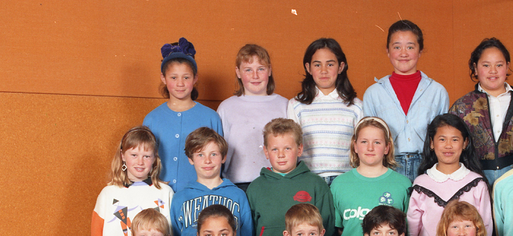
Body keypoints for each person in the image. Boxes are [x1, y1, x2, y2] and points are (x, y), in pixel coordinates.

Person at [361, 19, 449, 181]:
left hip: (427, 166)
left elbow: (443, 136)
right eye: (397, 47)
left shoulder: (437, 91)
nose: (403, 53)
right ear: (388, 51)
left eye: (410, 47)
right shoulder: (373, 93)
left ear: (420, 51)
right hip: (387, 166)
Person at [449, 38, 513, 188]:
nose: (493, 71)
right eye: (486, 65)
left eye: (499, 65)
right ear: (476, 68)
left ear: (507, 66)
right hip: (473, 180)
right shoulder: (462, 107)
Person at [246, 118, 337, 236]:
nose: (281, 154)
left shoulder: (316, 184)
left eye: (287, 148)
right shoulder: (256, 187)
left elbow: (327, 226)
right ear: (266, 152)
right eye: (275, 149)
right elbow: (249, 230)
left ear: (299, 149)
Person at [330, 117, 412, 236]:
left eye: (377, 142)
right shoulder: (339, 184)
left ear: (387, 148)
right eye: (364, 142)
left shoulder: (402, 184)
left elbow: (408, 229)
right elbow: (339, 228)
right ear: (355, 146)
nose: (370, 148)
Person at [92, 126, 173, 236]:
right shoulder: (108, 194)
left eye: (146, 156)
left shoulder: (166, 193)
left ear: (155, 158)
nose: (140, 162)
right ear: (123, 156)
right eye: (134, 155)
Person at [142, 38, 224, 192]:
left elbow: (220, 161)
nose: (180, 84)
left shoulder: (211, 118)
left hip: (200, 196)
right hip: (159, 197)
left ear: (195, 78)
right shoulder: (152, 119)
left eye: (186, 77)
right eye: (174, 77)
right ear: (163, 78)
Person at [407, 114, 491, 236]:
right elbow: (413, 229)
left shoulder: (477, 184)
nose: (448, 146)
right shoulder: (421, 184)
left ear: (465, 143)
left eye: (455, 139)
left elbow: (485, 227)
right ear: (432, 143)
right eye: (442, 139)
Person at [170, 127, 253, 236]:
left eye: (213, 154)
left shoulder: (238, 195)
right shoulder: (180, 198)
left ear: (224, 157)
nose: (207, 160)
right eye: (200, 155)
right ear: (190, 159)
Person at [287, 38, 363, 182]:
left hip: (345, 179)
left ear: (341, 67)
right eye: (317, 65)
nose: (323, 71)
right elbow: (292, 146)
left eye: (330, 64)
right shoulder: (296, 105)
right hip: (309, 179)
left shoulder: (356, 106)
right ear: (308, 68)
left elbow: (361, 147)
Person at [218, 44, 291, 190]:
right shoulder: (226, 107)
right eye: (248, 70)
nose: (255, 76)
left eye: (261, 69)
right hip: (237, 184)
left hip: (276, 182)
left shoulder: (285, 105)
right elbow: (218, 149)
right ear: (238, 72)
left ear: (269, 70)